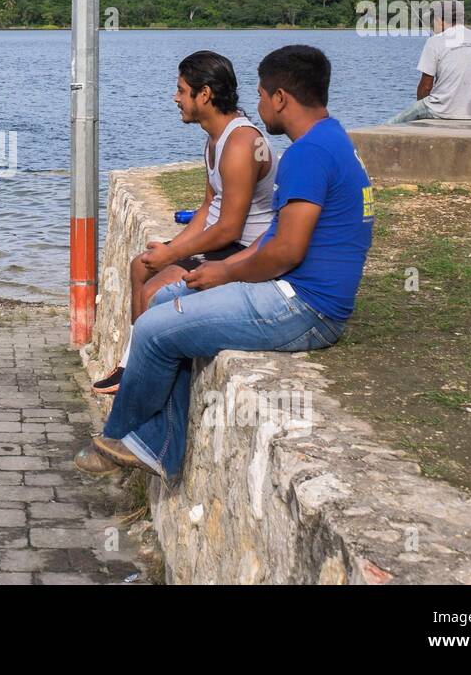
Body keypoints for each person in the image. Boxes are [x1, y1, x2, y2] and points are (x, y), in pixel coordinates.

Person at [75, 45, 374, 478]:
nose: (257, 105)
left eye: (261, 94)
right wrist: (214, 275)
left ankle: (122, 438)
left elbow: (285, 252)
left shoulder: (308, 155)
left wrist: (226, 270)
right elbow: (274, 238)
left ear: (280, 98)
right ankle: (158, 445)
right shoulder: (329, 139)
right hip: (295, 290)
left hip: (306, 306)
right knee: (165, 303)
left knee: (158, 330)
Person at [92, 50, 276, 394]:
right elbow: (208, 209)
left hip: (245, 250)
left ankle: (145, 384)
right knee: (140, 266)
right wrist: (170, 250)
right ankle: (131, 364)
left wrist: (172, 254)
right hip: (224, 243)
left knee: (154, 290)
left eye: (181, 90)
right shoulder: (215, 140)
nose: (175, 98)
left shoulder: (241, 143)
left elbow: (229, 228)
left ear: (204, 94)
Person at [387, 0, 471, 123]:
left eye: (432, 21)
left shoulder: (435, 41)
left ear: (439, 19)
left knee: (390, 124)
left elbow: (426, 86)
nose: (432, 26)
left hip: (442, 111)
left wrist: (421, 109)